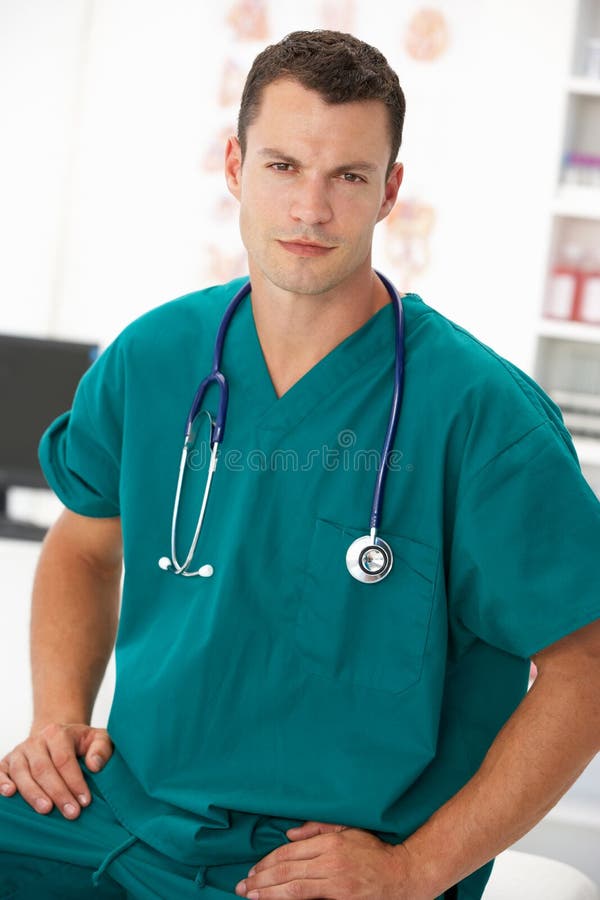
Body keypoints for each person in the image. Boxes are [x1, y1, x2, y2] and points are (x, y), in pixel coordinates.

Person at [1, 28, 599, 900]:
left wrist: (415, 870)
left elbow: (585, 661)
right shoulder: (156, 357)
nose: (310, 210)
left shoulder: (479, 414)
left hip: (329, 861)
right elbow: (87, 546)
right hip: (129, 808)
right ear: (236, 165)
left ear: (390, 191)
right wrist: (58, 716)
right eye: (284, 167)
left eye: (348, 177)